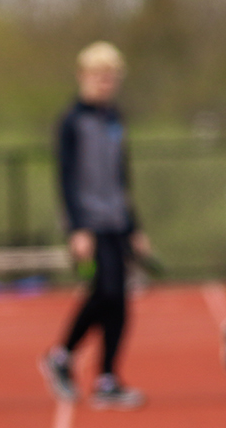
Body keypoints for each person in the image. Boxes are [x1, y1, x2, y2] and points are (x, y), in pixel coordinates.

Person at [40, 41, 151, 410]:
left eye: (112, 76)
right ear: (83, 77)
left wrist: (134, 226)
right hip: (89, 222)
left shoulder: (115, 118)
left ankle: (105, 378)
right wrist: (78, 228)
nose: (106, 82)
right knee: (106, 291)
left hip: (117, 220)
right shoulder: (72, 121)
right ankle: (63, 356)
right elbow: (66, 178)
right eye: (100, 75)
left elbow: (121, 175)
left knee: (118, 299)